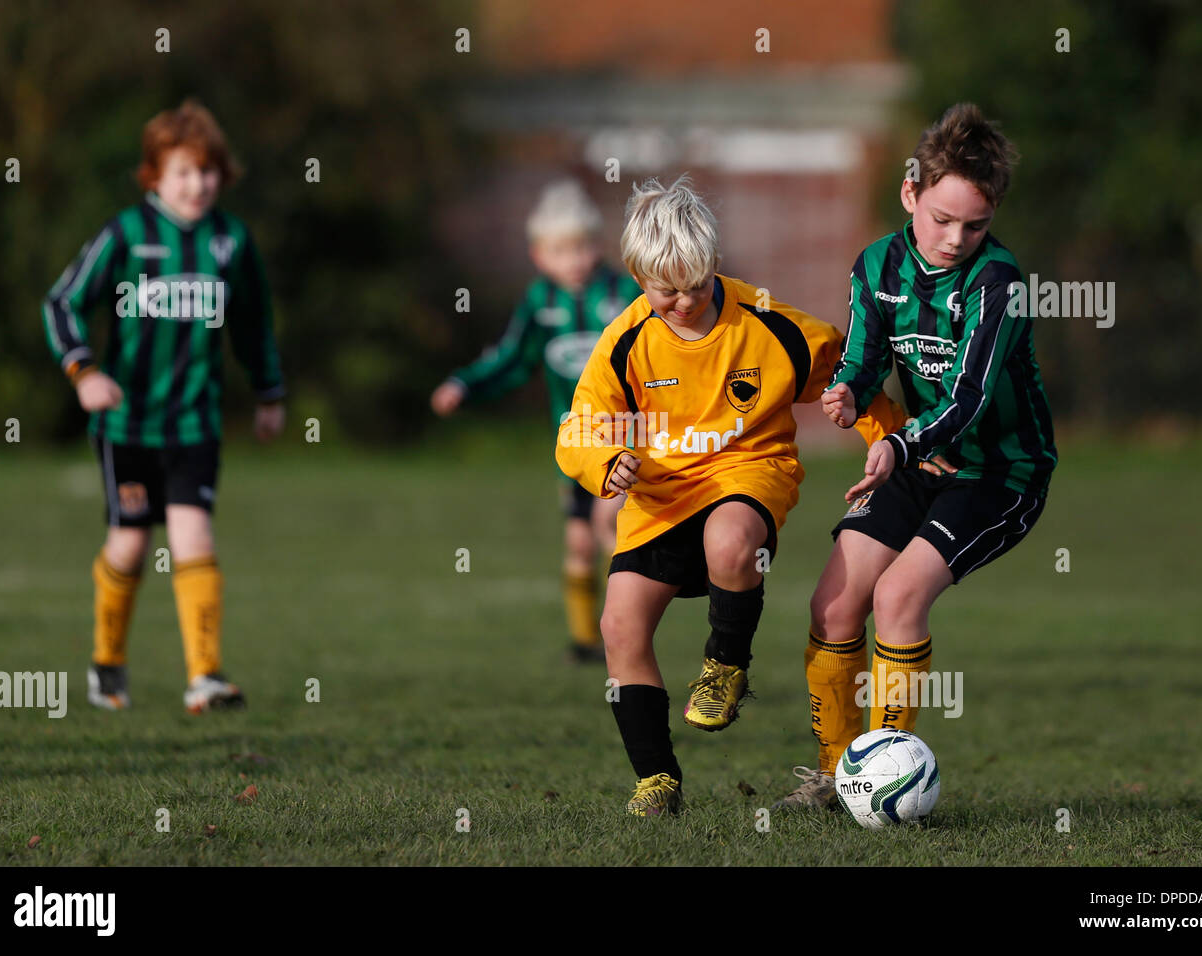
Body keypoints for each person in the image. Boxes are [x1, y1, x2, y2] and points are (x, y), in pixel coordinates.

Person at [557, 175, 909, 815]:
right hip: (661, 496)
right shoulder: (625, 341)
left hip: (750, 471)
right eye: (666, 291)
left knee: (729, 541)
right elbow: (579, 428)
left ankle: (726, 661)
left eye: (695, 284)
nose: (684, 301)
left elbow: (851, 375)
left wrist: (886, 440)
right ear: (638, 277)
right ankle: (656, 780)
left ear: (714, 264)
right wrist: (603, 462)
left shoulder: (769, 325)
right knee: (619, 625)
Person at [773, 103, 1057, 809]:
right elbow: (866, 359)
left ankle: (884, 779)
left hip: (1001, 474)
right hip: (920, 458)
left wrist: (899, 443)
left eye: (975, 225)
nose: (957, 238)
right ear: (910, 195)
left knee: (899, 596)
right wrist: (846, 390)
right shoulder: (876, 264)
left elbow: (969, 396)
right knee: (833, 605)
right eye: (942, 219)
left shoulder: (999, 284)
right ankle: (836, 781)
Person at [42, 99, 286, 713]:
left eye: (208, 172)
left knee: (193, 538)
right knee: (129, 545)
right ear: (154, 175)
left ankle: (204, 676)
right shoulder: (126, 234)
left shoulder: (231, 241)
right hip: (126, 425)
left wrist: (268, 392)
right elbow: (61, 302)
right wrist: (83, 371)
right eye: (182, 172)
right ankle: (107, 663)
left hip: (194, 424)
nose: (197, 184)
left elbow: (254, 322)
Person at [430, 180, 642, 663]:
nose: (576, 258)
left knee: (612, 524)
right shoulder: (540, 303)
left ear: (599, 245)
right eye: (562, 250)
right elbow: (511, 359)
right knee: (578, 541)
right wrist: (464, 384)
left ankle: (627, 626)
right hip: (571, 444)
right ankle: (585, 641)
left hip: (623, 439)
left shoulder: (625, 294)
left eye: (584, 246)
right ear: (539, 255)